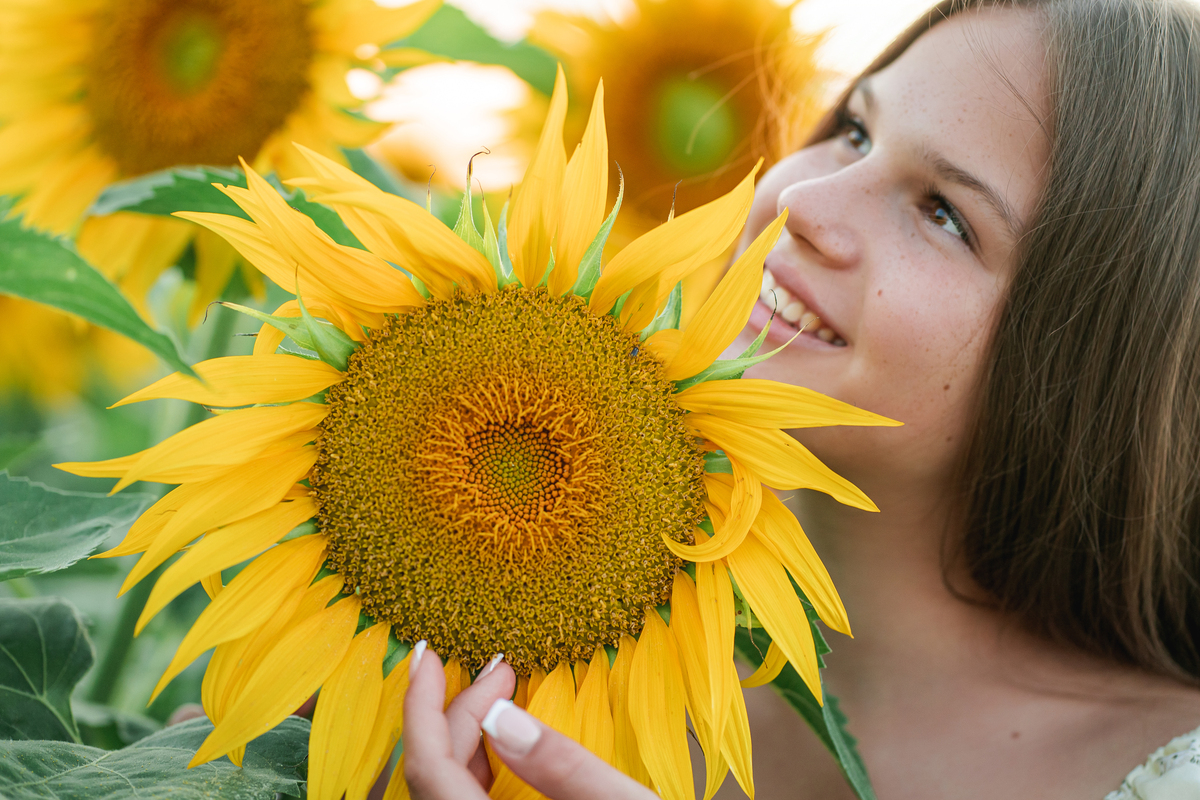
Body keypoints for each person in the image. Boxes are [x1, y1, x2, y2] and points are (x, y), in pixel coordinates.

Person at [399, 0, 1200, 797]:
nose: (801, 204)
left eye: (945, 215)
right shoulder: (507, 621)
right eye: (855, 129)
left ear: (1095, 362)